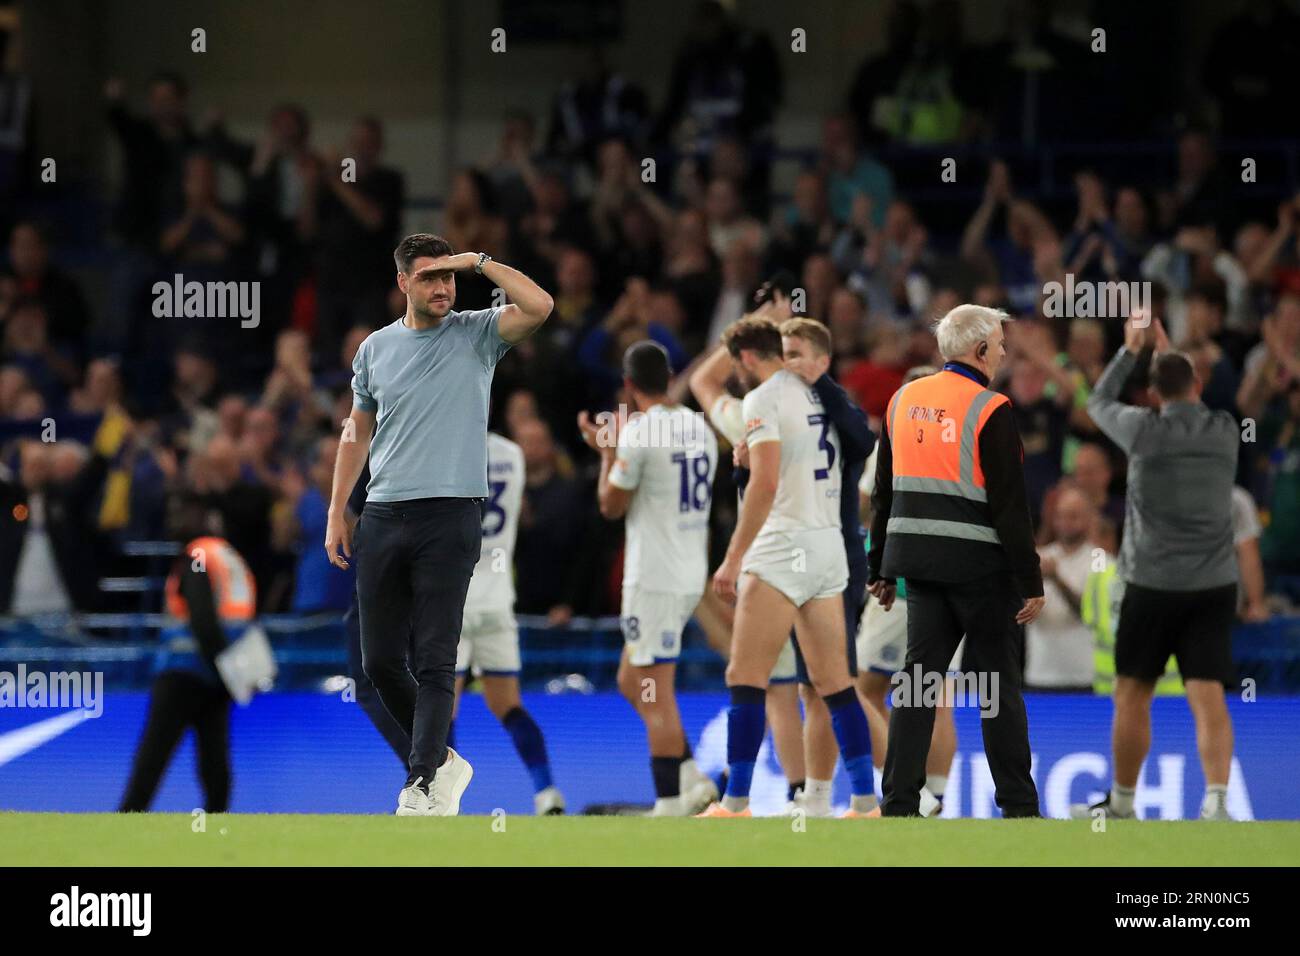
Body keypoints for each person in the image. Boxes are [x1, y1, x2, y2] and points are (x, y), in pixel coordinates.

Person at [325, 233, 553, 817]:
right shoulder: (375, 349)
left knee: (434, 660)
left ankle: (422, 783)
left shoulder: (477, 334)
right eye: (430, 276)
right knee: (377, 662)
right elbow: (357, 432)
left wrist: (480, 263)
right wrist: (337, 509)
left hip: (450, 516)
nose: (443, 287)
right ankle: (445, 762)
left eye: (448, 277)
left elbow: (540, 306)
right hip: (381, 513)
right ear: (403, 282)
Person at [868, 304, 1044, 818]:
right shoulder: (992, 408)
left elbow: (884, 493)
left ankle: (898, 804)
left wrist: (880, 566)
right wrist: (1029, 579)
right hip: (981, 572)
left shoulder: (902, 400)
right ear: (981, 350)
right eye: (1000, 343)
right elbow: (1011, 506)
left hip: (918, 566)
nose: (1005, 352)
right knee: (996, 690)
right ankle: (1018, 805)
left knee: (917, 684)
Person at [697, 317, 877, 818]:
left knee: (745, 676)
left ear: (747, 359)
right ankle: (865, 802)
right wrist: (744, 464)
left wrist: (733, 558)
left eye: (738, 365)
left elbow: (767, 482)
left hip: (781, 549)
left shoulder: (763, 399)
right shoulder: (819, 396)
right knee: (834, 682)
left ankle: (735, 804)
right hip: (828, 550)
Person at [1072, 315, 1239, 821]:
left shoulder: (1142, 430)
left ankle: (1122, 804)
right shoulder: (1225, 430)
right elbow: (1186, 395)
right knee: (1206, 692)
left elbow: (1097, 403)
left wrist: (1131, 351)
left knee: (1131, 694)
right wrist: (1168, 359)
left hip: (1150, 585)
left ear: (1150, 392)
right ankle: (1215, 803)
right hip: (1212, 586)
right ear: (1200, 385)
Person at [579, 341, 720, 816]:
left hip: (654, 576)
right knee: (630, 678)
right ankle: (691, 779)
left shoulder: (639, 433)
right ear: (670, 375)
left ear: (628, 385)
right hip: (688, 572)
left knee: (653, 688)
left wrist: (605, 454)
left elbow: (609, 506)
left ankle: (669, 804)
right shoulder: (700, 428)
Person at [855, 364, 957, 814]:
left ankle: (909, 788)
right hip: (955, 581)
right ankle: (937, 793)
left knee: (856, 688)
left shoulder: (897, 438)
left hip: (898, 583)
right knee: (935, 693)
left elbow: (868, 505)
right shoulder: (961, 442)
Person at [452, 431, 565, 815]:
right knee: (507, 704)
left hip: (454, 597)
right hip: (498, 600)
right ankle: (546, 790)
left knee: (440, 710)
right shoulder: (512, 454)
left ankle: (439, 797)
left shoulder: (448, 445)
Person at [120, 493, 254, 812]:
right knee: (214, 763)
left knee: (152, 757)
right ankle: (217, 827)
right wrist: (232, 671)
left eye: (184, 511)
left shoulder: (198, 555)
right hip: (218, 673)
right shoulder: (231, 559)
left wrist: (222, 664)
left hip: (184, 670)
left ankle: (128, 818)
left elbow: (203, 620)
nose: (175, 518)